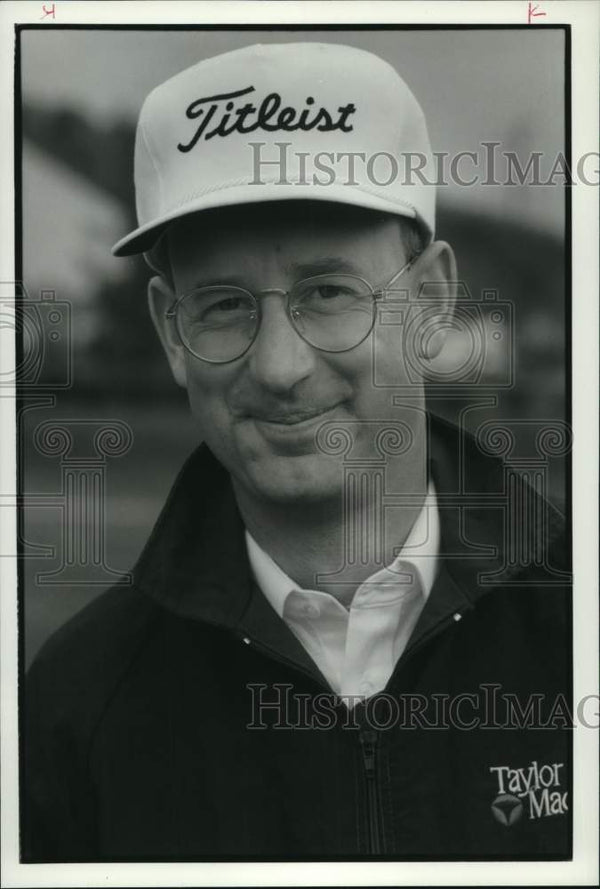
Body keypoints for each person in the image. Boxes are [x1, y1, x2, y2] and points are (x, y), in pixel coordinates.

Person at [23, 41, 571, 861]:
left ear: (430, 300)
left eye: (328, 292)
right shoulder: (75, 706)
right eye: (224, 306)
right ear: (171, 331)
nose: (279, 366)